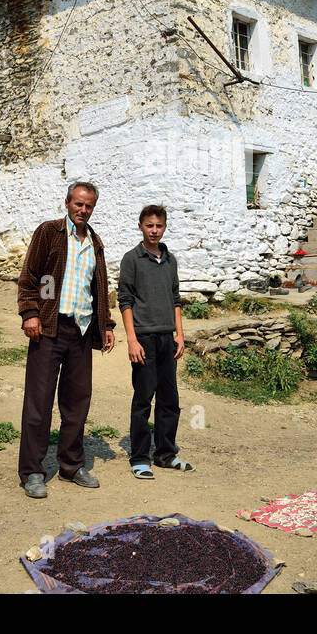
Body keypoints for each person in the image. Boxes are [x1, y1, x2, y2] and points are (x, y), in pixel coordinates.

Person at [15, 182, 116, 499]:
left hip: (82, 331)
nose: (83, 210)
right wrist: (33, 313)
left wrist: (107, 324)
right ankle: (32, 471)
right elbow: (37, 276)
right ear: (67, 203)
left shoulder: (95, 242)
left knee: (77, 403)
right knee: (39, 402)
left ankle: (72, 465)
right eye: (78, 204)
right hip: (50, 329)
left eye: (89, 206)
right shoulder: (50, 233)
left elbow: (97, 288)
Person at [119, 204, 193, 479]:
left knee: (169, 399)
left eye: (159, 226)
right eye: (149, 225)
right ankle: (139, 457)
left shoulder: (170, 259)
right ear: (140, 226)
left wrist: (179, 334)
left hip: (167, 339)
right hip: (144, 338)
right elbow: (124, 301)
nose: (154, 230)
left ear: (165, 227)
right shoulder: (132, 259)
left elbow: (175, 299)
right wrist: (132, 340)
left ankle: (165, 453)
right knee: (143, 398)